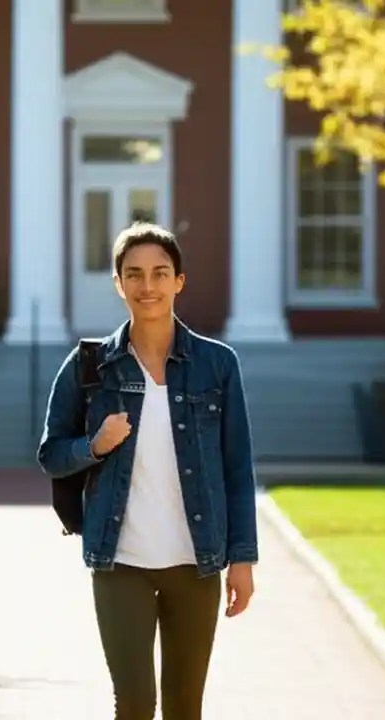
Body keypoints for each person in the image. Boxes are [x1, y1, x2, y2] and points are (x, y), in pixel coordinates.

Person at [36, 222, 258, 720]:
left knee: (185, 707)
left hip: (195, 561)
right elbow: (51, 453)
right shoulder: (90, 365)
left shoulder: (217, 365)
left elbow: (237, 469)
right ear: (118, 283)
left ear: (179, 280)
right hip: (121, 562)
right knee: (134, 703)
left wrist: (242, 559)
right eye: (134, 274)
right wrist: (95, 446)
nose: (148, 285)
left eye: (160, 273)